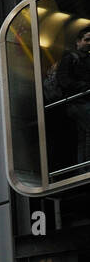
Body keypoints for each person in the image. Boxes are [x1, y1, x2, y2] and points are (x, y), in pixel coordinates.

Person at [51, 25, 90, 166]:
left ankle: (83, 167)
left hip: (82, 100)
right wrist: (83, 86)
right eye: (87, 40)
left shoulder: (86, 58)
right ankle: (86, 166)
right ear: (78, 41)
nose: (89, 43)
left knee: (84, 135)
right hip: (77, 101)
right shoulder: (70, 57)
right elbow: (64, 80)